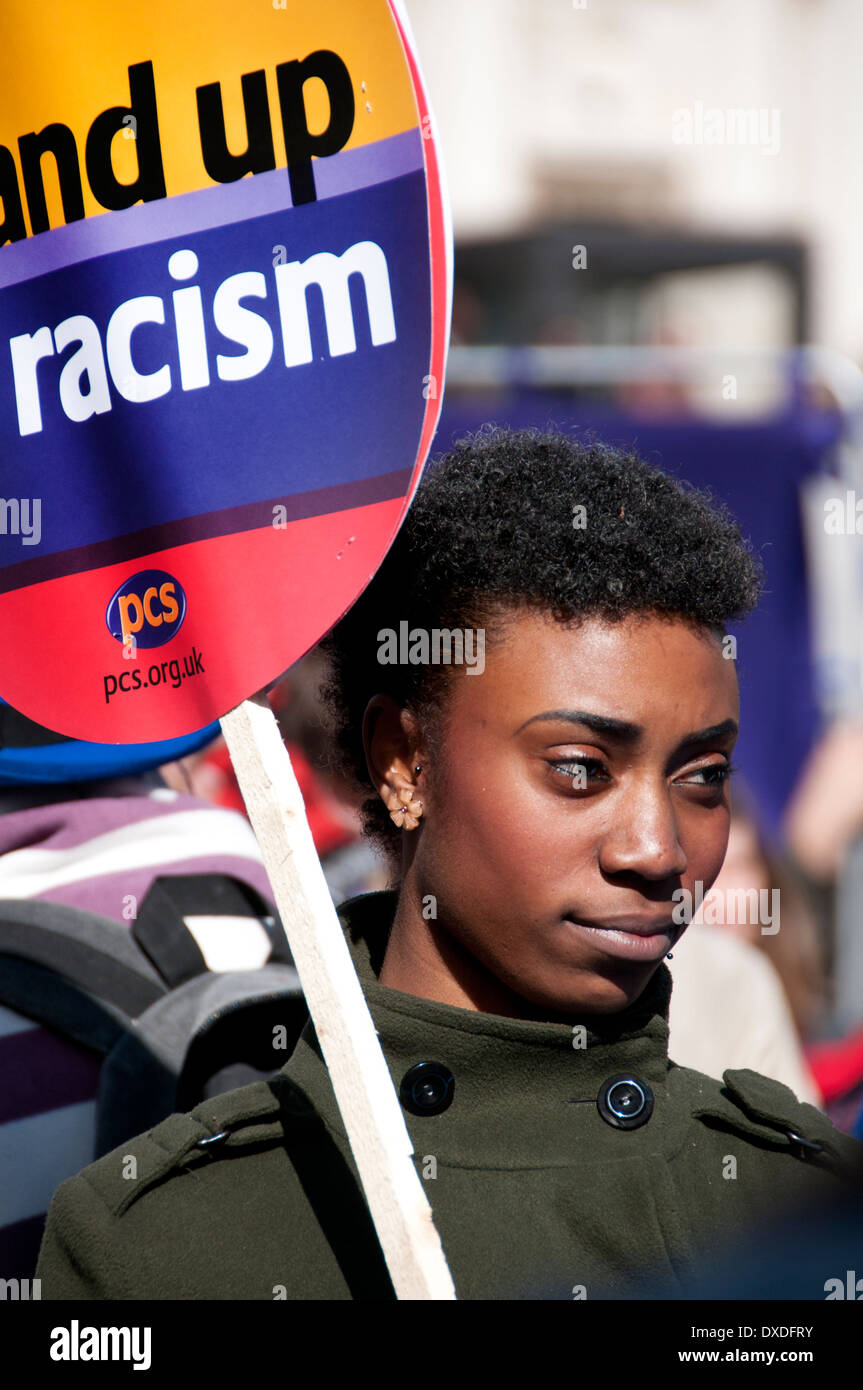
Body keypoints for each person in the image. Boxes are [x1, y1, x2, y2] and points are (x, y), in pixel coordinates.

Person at [36, 428, 863, 1300]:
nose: (655, 850)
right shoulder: (156, 1247)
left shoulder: (804, 1214)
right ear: (405, 761)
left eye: (703, 778)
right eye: (578, 769)